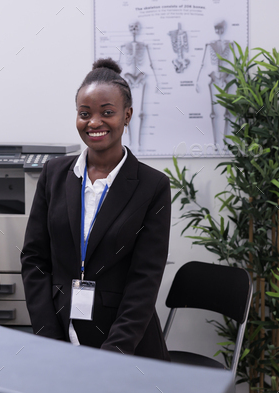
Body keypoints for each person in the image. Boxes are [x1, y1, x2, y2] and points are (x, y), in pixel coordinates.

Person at [21, 58, 172, 360]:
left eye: (107, 112)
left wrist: (113, 355)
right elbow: (35, 259)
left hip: (127, 348)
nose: (94, 122)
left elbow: (145, 279)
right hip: (61, 337)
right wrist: (48, 338)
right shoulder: (53, 174)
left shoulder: (152, 186)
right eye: (84, 113)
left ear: (127, 116)